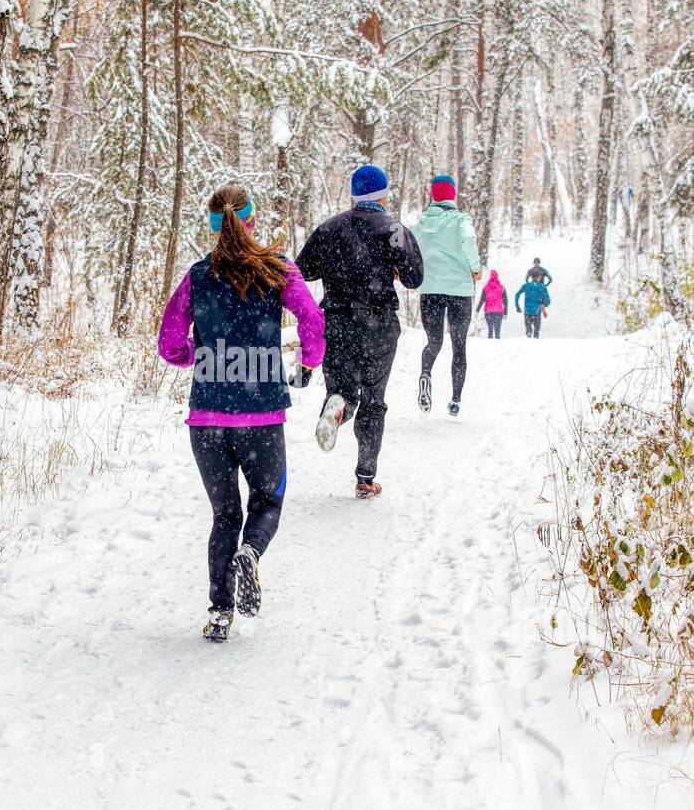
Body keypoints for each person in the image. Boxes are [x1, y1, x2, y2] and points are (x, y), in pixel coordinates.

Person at [158, 185, 326, 641]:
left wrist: (197, 351)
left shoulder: (196, 277)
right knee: (268, 501)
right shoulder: (277, 269)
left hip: (208, 419)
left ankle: (218, 612)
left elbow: (168, 344)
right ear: (252, 220)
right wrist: (309, 360)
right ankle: (251, 554)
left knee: (224, 515)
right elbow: (312, 321)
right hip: (261, 414)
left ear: (212, 226)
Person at [296, 164, 423, 499]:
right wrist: (391, 268)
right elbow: (415, 278)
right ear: (382, 194)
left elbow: (301, 270)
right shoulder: (394, 230)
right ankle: (365, 479)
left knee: (344, 389)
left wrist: (336, 267)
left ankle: (336, 407)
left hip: (337, 322)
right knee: (373, 400)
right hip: (379, 324)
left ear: (354, 195)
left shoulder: (329, 228)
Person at [414, 174, 480, 417]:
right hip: (459, 291)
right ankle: (455, 401)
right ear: (452, 195)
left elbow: (410, 244)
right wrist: (475, 266)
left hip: (430, 290)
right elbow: (469, 239)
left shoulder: (422, 223)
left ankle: (425, 374)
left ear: (433, 196)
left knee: (434, 341)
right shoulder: (461, 219)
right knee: (459, 346)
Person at [515, 271, 552, 338]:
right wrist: (544, 304)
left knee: (528, 330)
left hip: (527, 311)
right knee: (536, 331)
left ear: (531, 277)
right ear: (539, 277)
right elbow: (548, 301)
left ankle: (528, 339)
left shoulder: (526, 286)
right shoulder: (542, 287)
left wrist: (517, 306)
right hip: (537, 312)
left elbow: (517, 295)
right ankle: (535, 343)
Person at [476, 269, 508, 339]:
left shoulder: (486, 288)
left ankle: (490, 345)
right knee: (497, 331)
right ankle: (497, 345)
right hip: (498, 312)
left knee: (490, 330)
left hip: (488, 312)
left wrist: (477, 310)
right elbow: (505, 302)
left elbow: (482, 300)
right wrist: (505, 313)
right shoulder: (502, 288)